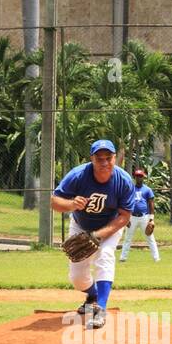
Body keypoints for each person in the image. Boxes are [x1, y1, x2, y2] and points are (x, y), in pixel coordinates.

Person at [51, 139, 137, 330]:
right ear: (92, 159)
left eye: (109, 158)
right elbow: (55, 201)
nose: (104, 162)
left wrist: (98, 236)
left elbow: (124, 217)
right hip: (81, 224)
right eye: (100, 158)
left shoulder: (123, 181)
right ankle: (93, 295)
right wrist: (72, 204)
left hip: (110, 226)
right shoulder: (78, 175)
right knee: (77, 277)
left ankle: (101, 309)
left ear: (115, 158)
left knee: (105, 256)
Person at [119, 167, 160, 262]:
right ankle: (123, 258)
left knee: (150, 238)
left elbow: (151, 204)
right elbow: (125, 202)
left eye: (140, 176)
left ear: (143, 177)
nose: (139, 178)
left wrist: (151, 219)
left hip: (144, 217)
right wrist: (126, 218)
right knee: (127, 238)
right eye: (137, 176)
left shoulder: (147, 190)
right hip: (132, 217)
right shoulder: (130, 189)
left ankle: (156, 258)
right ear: (134, 177)